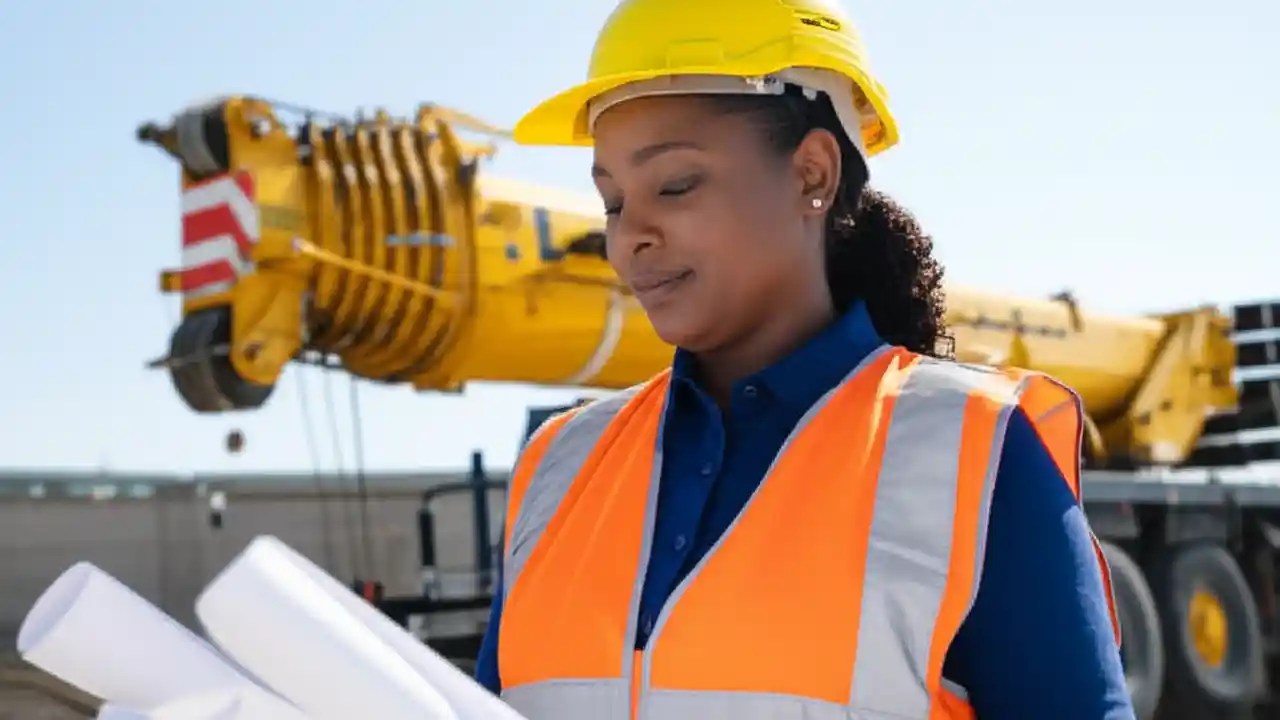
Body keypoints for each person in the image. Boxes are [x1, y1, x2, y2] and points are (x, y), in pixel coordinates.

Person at [474, 1, 1135, 718]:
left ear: (812, 173)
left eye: (674, 186)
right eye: (610, 202)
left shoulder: (971, 453)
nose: (628, 236)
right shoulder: (558, 469)